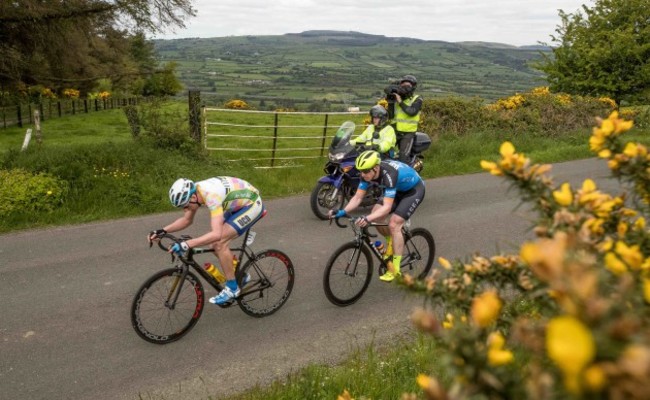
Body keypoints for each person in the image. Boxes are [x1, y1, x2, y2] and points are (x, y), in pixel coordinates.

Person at [148, 177, 265, 305]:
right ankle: (240, 276)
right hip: (236, 204)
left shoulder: (211, 196)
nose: (185, 209)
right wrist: (163, 230)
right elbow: (187, 220)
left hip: (251, 204)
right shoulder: (195, 193)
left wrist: (187, 244)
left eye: (185, 206)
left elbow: (216, 234)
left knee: (218, 243)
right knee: (215, 244)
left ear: (193, 198)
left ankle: (233, 288)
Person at [328, 150, 425, 282]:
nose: (363, 174)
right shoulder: (366, 174)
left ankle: (395, 269)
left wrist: (367, 218)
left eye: (366, 171)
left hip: (413, 190)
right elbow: (357, 198)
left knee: (394, 224)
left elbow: (387, 208)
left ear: (376, 168)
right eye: (360, 170)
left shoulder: (389, 175)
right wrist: (342, 212)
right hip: (396, 189)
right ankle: (391, 241)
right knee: (376, 214)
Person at [387, 75, 423, 164]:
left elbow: (412, 112)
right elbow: (391, 116)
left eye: (408, 85)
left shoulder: (417, 99)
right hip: (394, 131)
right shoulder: (397, 98)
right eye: (403, 85)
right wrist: (390, 102)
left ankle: (407, 174)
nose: (405, 87)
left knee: (403, 157)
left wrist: (400, 102)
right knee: (385, 151)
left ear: (413, 87)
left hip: (408, 133)